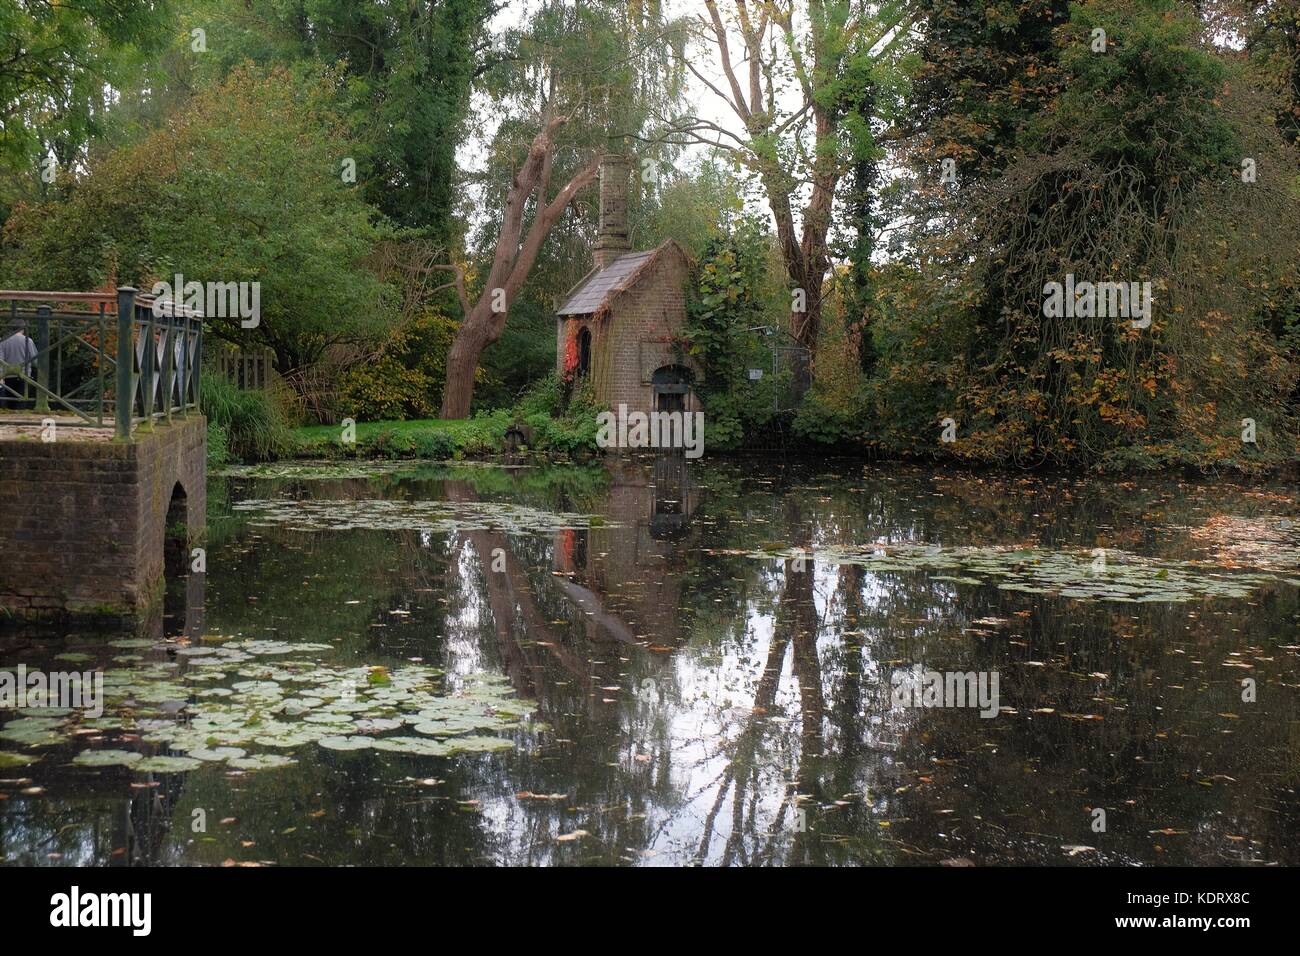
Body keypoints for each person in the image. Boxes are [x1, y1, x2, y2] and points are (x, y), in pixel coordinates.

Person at [0, 320, 39, 410]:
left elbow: (0, 360)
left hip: (7, 376)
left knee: (10, 403)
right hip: (24, 376)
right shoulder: (28, 341)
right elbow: (35, 361)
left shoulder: (3, 341)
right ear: (23, 329)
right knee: (22, 403)